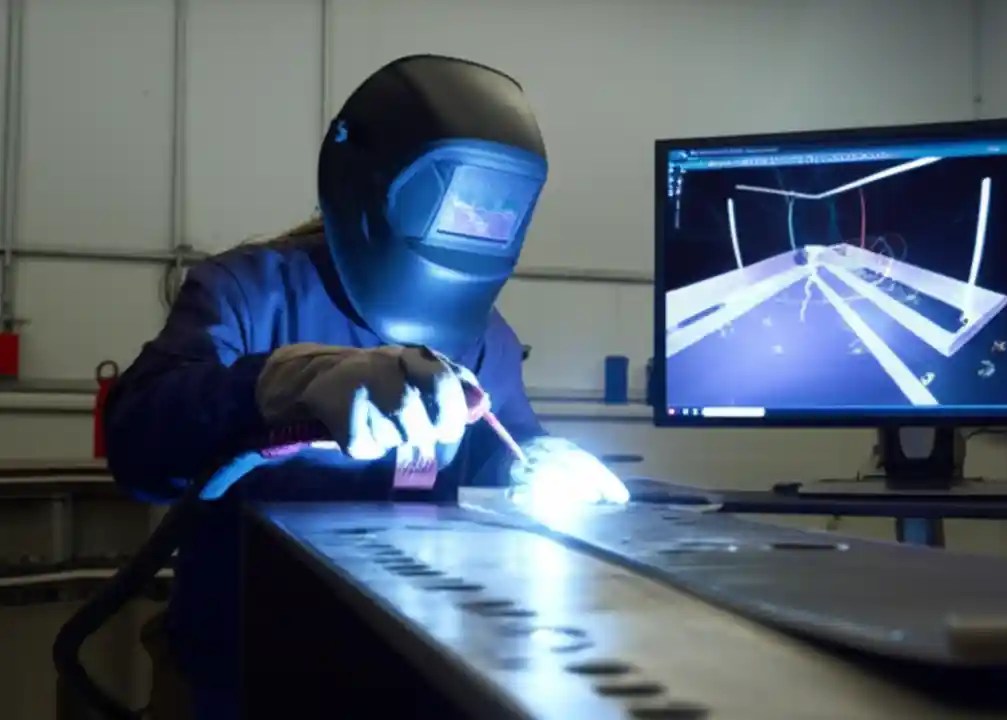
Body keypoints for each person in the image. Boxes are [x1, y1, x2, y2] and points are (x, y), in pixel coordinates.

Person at [104, 54, 629, 719]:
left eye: (491, 213)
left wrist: (544, 461)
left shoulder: (482, 333)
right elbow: (136, 444)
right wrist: (279, 385)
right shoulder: (250, 291)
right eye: (456, 199)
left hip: (413, 667)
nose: (473, 221)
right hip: (243, 671)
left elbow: (506, 446)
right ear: (377, 185)